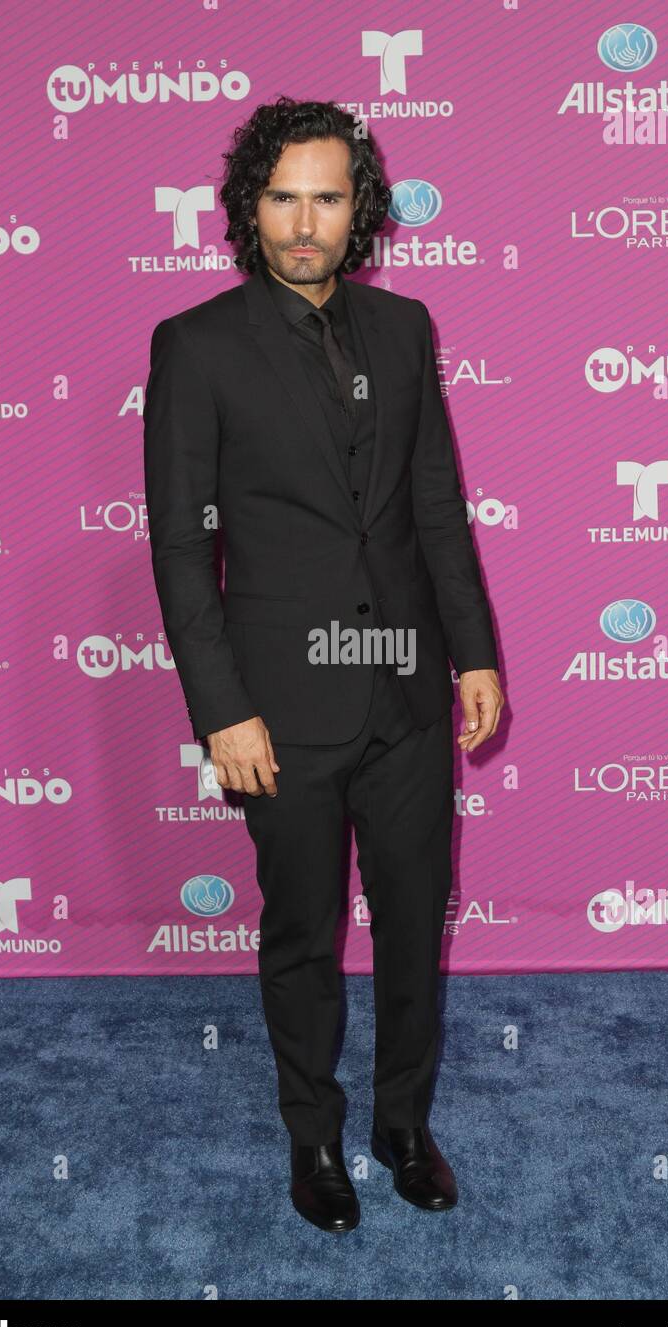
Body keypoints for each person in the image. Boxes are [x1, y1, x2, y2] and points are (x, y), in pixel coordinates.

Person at [144, 97, 505, 1233]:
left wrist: (474, 656)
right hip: (279, 708)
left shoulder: (403, 332)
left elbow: (435, 510)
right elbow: (176, 544)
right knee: (301, 932)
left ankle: (402, 1122)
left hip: (403, 687)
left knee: (412, 916)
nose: (305, 223)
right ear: (250, 209)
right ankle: (314, 1136)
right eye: (283, 196)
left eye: (328, 196)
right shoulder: (195, 344)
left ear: (362, 210)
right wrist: (222, 712)